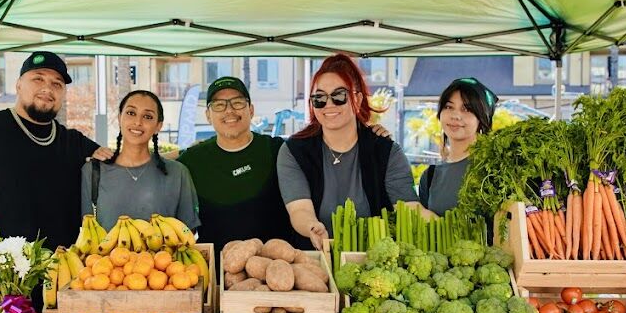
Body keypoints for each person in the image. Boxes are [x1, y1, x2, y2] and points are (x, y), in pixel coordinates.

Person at [0, 51, 108, 247]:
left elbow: (118, 166)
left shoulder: (74, 142)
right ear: (18, 85)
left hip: (63, 270)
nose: (47, 88)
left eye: (57, 84)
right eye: (38, 79)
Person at [277, 53, 423, 249]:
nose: (329, 104)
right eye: (319, 98)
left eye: (339, 96)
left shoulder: (386, 151)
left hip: (374, 266)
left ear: (358, 98)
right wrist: (312, 227)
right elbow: (299, 209)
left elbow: (410, 209)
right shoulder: (295, 151)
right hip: (315, 265)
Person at [178, 77, 297, 249]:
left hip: (274, 267)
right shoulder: (191, 160)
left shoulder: (277, 150)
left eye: (238, 103)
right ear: (208, 116)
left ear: (251, 110)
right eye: (219, 105)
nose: (229, 111)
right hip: (215, 270)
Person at [84, 90, 200, 231]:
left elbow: (187, 233)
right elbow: (87, 231)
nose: (138, 122)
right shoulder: (93, 171)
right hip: (104, 253)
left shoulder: (177, 173)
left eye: (147, 116)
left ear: (158, 126)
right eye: (131, 113)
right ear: (120, 117)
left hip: (163, 254)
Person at [418, 77, 496, 215]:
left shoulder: (493, 169)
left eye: (466, 109)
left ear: (481, 119)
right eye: (449, 107)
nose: (455, 116)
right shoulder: (430, 176)